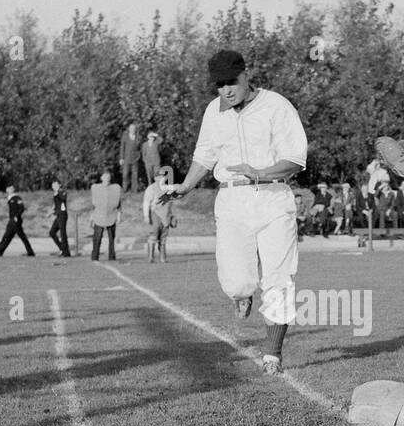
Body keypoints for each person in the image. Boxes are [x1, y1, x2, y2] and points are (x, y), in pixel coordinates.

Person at [163, 49, 307, 375]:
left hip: (272, 199)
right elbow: (205, 154)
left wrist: (261, 172)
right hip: (231, 202)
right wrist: (185, 186)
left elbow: (295, 159)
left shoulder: (276, 106)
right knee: (238, 282)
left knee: (279, 278)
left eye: (232, 82)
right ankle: (242, 295)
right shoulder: (214, 112)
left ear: (246, 75)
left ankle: (272, 352)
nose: (226, 90)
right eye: (220, 84)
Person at [142, 166, 176, 262]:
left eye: (163, 176)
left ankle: (163, 258)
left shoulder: (168, 188)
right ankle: (150, 257)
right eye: (160, 176)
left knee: (163, 237)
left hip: (166, 216)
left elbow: (169, 204)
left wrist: (172, 216)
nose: (162, 178)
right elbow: (146, 203)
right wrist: (146, 216)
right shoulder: (151, 188)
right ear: (155, 178)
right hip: (155, 214)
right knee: (153, 236)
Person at [89, 168, 122, 261]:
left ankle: (112, 256)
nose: (107, 179)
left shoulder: (115, 188)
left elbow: (119, 203)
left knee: (112, 238)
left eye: (108, 177)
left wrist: (119, 215)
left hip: (111, 215)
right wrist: (91, 217)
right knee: (97, 238)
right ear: (101, 178)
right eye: (105, 177)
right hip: (99, 215)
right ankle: (95, 256)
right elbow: (93, 204)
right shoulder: (96, 188)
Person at [0, 185, 35, 256]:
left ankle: (30, 252)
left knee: (21, 236)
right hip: (12, 220)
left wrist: (17, 216)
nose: (10, 190)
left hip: (16, 220)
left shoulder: (17, 197)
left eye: (11, 188)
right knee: (7, 236)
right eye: (9, 188)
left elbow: (21, 208)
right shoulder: (10, 198)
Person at [48, 181, 72, 257]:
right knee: (52, 232)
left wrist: (57, 193)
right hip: (58, 215)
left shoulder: (62, 192)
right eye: (53, 185)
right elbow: (56, 205)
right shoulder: (55, 194)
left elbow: (62, 199)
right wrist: (50, 213)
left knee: (63, 234)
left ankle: (66, 253)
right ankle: (62, 249)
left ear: (59, 185)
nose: (54, 187)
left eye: (55, 185)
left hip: (63, 215)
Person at [119, 123, 142, 193]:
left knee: (135, 175)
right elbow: (122, 148)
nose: (133, 130)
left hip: (135, 159)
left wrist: (139, 156)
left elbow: (140, 148)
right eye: (131, 128)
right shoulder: (125, 137)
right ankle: (125, 189)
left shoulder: (138, 137)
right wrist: (121, 158)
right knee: (125, 175)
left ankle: (134, 190)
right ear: (129, 129)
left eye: (134, 129)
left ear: (135, 130)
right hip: (126, 159)